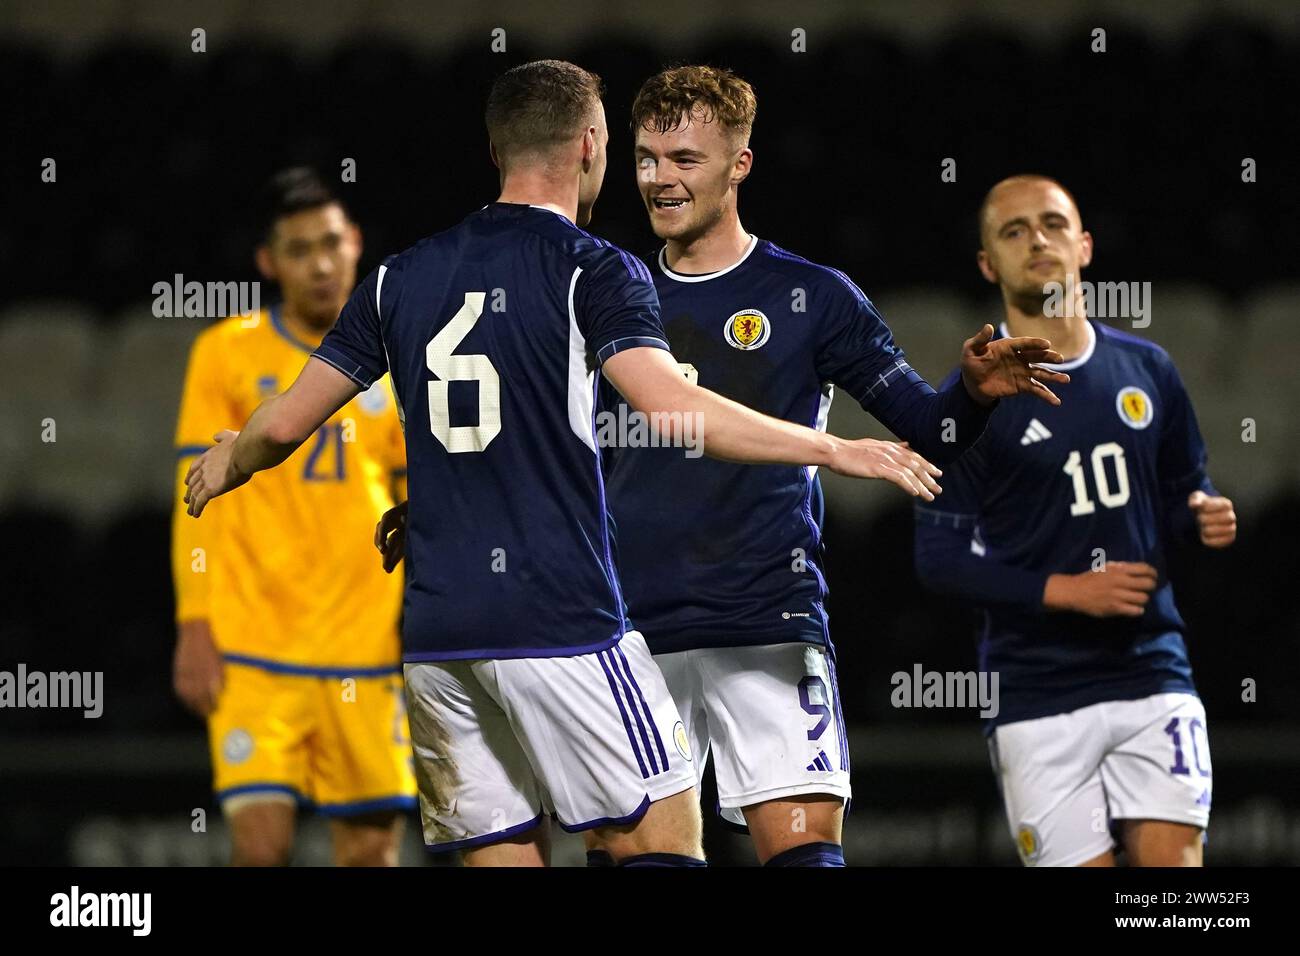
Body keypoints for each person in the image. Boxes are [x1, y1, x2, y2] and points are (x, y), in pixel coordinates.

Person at [913, 174, 1236, 867]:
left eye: (1054, 224)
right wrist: (1065, 591)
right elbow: (937, 559)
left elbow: (1183, 493)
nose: (1038, 239)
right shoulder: (966, 408)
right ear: (986, 265)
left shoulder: (1147, 369)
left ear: (1084, 245)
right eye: (1014, 230)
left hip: (1152, 672)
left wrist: (1201, 514)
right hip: (1036, 693)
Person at [171, 168, 414, 866]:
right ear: (268, 262)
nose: (321, 263)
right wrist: (193, 622)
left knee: (371, 853)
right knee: (260, 848)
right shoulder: (225, 350)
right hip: (254, 653)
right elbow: (194, 496)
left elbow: (415, 500)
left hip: (365, 651)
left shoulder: (396, 356)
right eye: (300, 249)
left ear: (357, 244)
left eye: (332, 243)